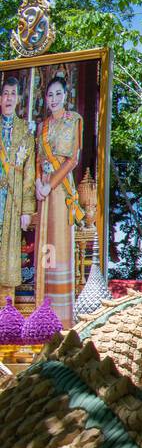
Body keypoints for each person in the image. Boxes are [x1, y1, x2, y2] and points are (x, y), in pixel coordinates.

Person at [34, 75, 84, 327]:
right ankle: (43, 312)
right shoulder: (42, 126)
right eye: (49, 95)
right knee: (45, 250)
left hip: (61, 192)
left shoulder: (74, 120)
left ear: (66, 95)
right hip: (43, 193)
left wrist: (50, 184)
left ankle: (62, 319)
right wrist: (37, 185)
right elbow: (36, 158)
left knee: (59, 247)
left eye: (58, 94)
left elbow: (72, 159)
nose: (53, 99)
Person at [0, 76, 37, 298]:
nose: (9, 98)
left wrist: (26, 209)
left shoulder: (25, 130)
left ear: (19, 99)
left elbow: (30, 172)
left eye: (13, 94)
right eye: (5, 93)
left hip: (12, 199)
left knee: (9, 253)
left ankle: (5, 310)